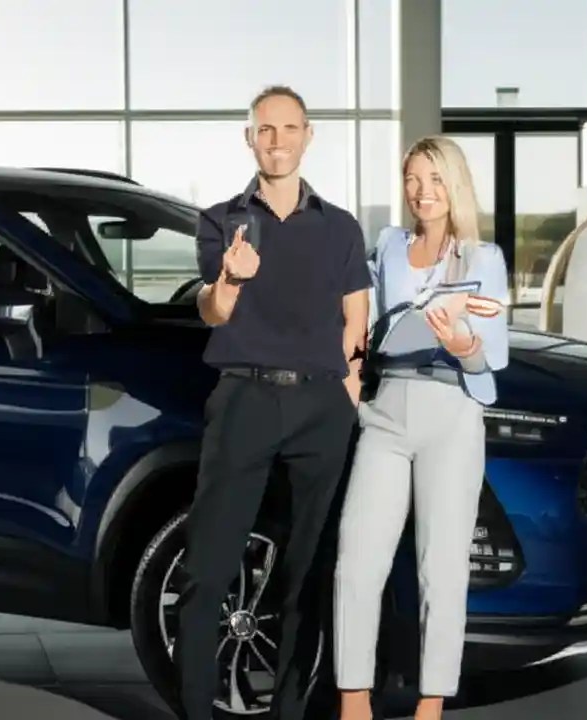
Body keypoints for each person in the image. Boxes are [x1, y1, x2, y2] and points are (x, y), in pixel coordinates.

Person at [176, 84, 371, 720]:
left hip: (322, 408)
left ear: (308, 136)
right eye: (265, 129)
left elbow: (356, 315)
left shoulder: (340, 226)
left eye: (289, 128)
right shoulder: (219, 221)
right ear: (249, 138)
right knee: (208, 569)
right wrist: (231, 278)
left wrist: (348, 391)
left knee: (308, 572)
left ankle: (290, 709)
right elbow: (212, 311)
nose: (277, 140)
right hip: (245, 400)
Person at [332, 135, 510, 720]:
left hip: (451, 411)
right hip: (386, 411)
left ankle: (430, 705)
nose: (422, 191)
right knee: (357, 559)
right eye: (412, 178)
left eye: (434, 179)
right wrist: (352, 377)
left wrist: (462, 344)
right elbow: (359, 321)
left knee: (442, 567)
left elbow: (490, 359)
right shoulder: (388, 246)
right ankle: (353, 700)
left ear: (455, 186)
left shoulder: (482, 260)